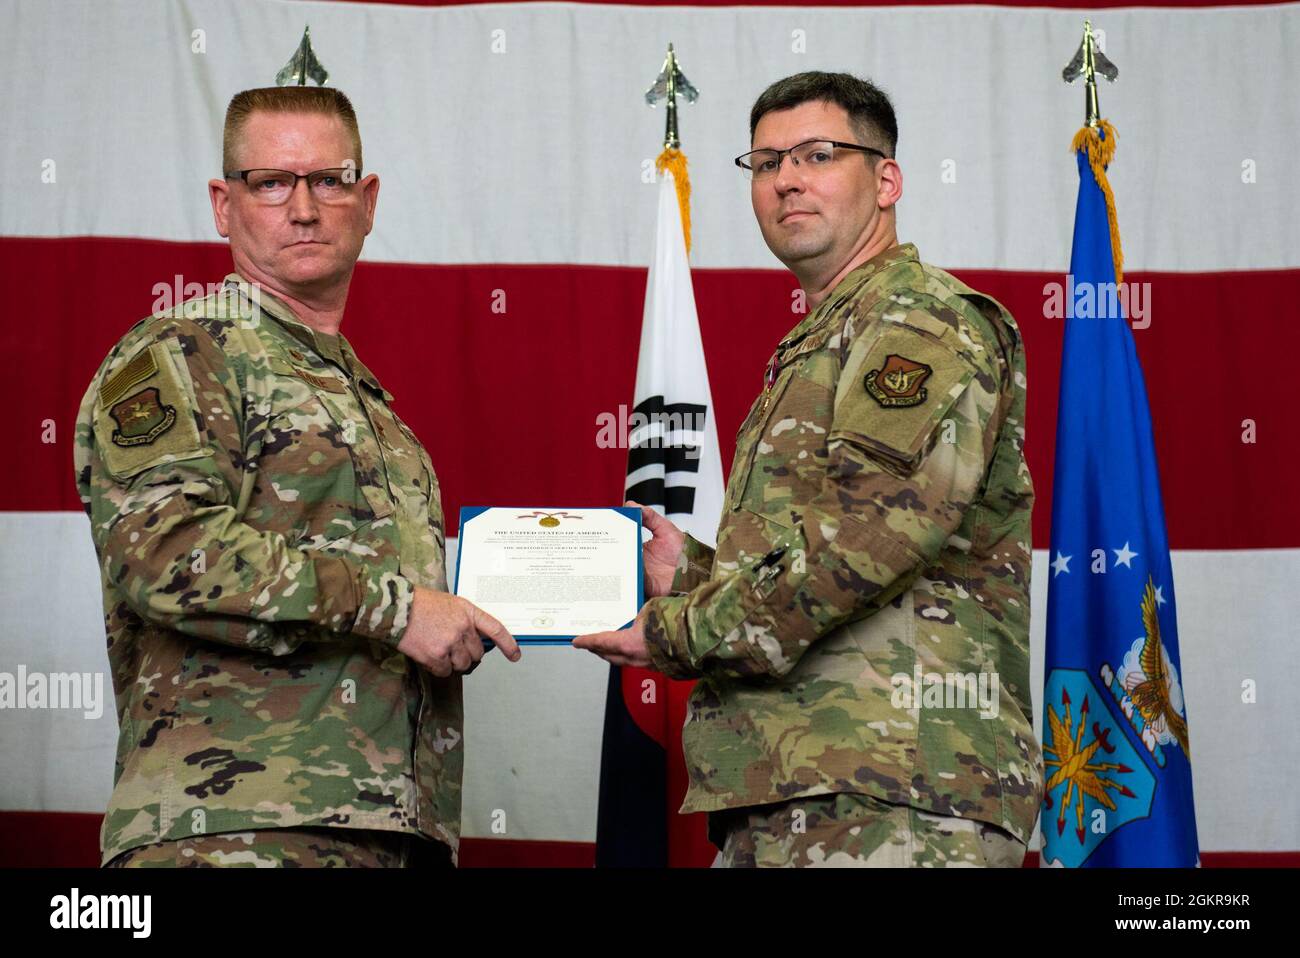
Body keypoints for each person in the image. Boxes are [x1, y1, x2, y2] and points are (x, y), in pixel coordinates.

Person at [575, 71, 1042, 867]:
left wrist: (680, 629)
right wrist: (686, 570)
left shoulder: (918, 320)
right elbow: (823, 547)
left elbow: (867, 540)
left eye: (819, 154)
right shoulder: (827, 336)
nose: (787, 178)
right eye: (764, 163)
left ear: (886, 179)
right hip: (803, 788)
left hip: (895, 791)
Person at [74, 85, 519, 868]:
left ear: (367, 199)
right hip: (233, 830)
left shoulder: (368, 401)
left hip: (383, 828)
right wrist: (398, 608)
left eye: (330, 180)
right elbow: (166, 555)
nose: (304, 208)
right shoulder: (183, 351)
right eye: (271, 182)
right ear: (224, 204)